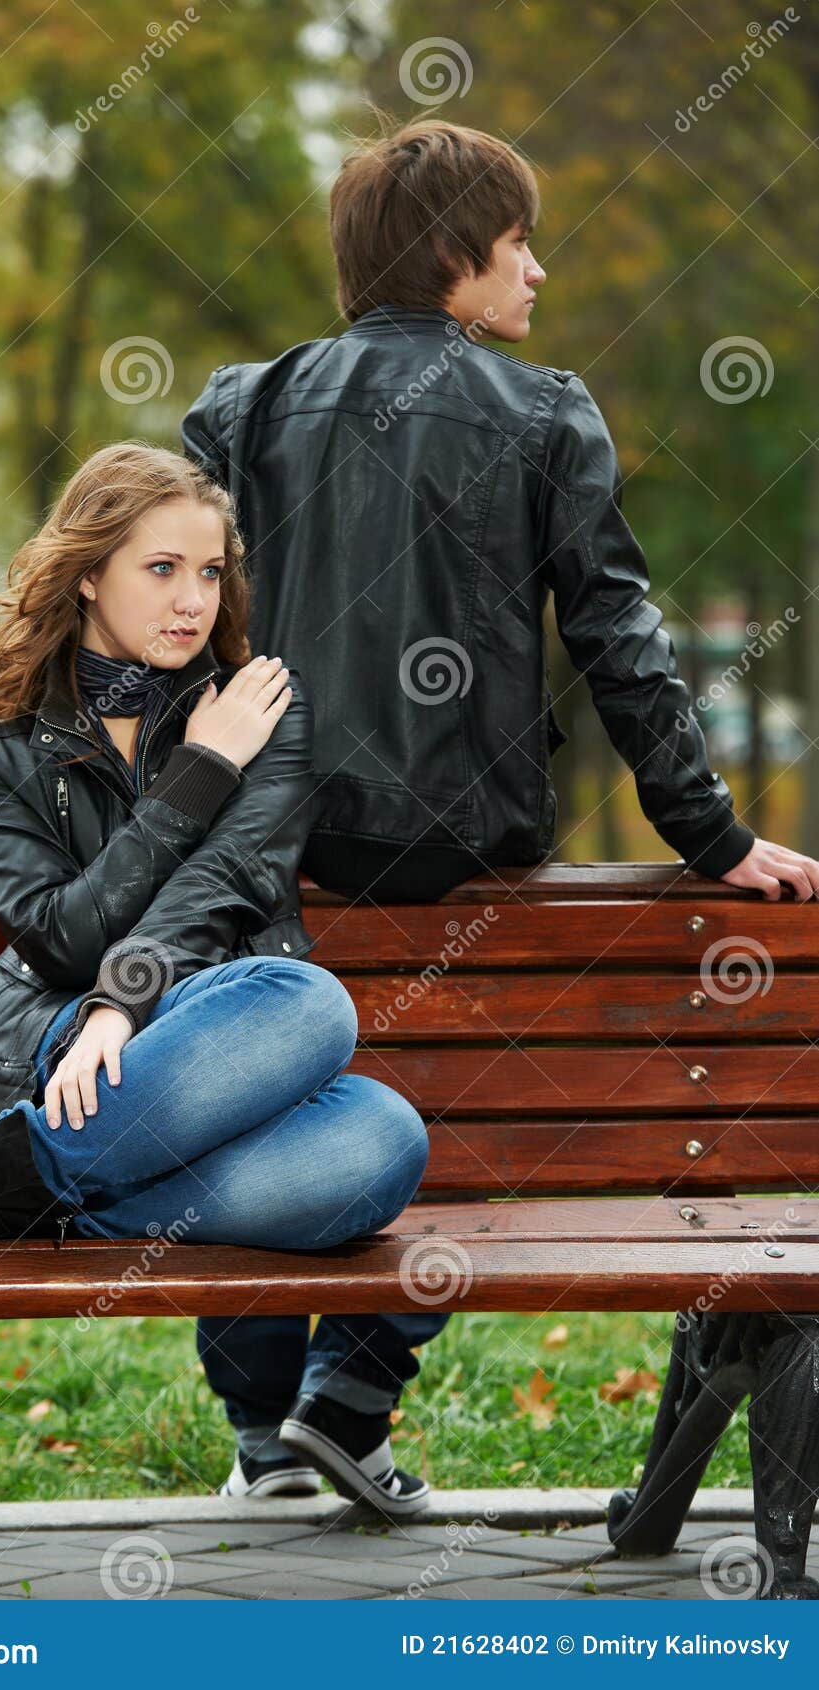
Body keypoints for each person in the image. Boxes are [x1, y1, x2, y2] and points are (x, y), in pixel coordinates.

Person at [181, 118, 819, 1512]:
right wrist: (710, 837)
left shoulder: (239, 409)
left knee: (244, 1105)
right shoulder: (544, 414)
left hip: (262, 843)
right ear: (459, 256)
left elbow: (171, 629)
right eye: (521, 240)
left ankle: (258, 1432)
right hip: (457, 852)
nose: (539, 266)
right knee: (470, 1112)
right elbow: (618, 641)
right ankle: (349, 1394)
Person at [0, 445, 431, 1521]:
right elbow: (59, 932)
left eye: (213, 572)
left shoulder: (263, 704)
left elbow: (234, 885)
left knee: (386, 1138)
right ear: (89, 571)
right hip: (76, 1059)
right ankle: (47, 1182)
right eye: (162, 569)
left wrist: (122, 995)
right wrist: (199, 774)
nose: (195, 600)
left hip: (214, 1045)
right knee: (313, 998)